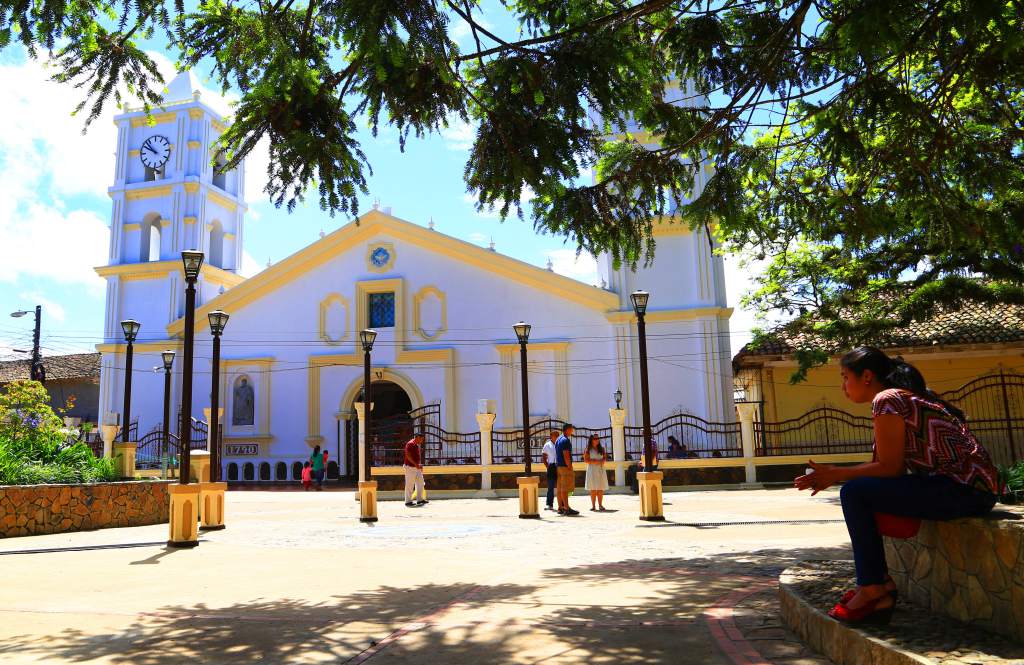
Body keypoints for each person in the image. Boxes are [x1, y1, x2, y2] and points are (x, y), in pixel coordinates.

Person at [795, 347, 999, 625]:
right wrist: (836, 474)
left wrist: (836, 474)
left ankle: (873, 588)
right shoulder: (899, 400)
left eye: (845, 377)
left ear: (866, 376)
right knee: (861, 491)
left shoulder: (887, 399)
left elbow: (889, 469)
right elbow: (890, 471)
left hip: (963, 490)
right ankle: (878, 584)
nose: (843, 385)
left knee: (854, 493)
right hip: (970, 490)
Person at [555, 424, 578, 516]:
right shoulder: (565, 440)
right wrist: (569, 466)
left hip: (559, 466)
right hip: (565, 467)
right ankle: (566, 508)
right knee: (565, 488)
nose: (572, 431)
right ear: (568, 430)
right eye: (571, 429)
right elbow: (566, 454)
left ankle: (560, 507)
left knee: (560, 488)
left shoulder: (558, 439)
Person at [584, 435, 609, 511]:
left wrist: (602, 461)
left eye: (598, 438)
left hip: (600, 469)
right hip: (592, 469)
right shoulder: (588, 449)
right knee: (593, 488)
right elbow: (586, 460)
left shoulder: (602, 449)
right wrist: (594, 461)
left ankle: (600, 505)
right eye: (595, 439)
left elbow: (605, 457)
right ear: (591, 440)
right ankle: (593, 506)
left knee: (600, 488)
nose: (597, 440)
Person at [403, 433, 428, 507]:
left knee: (420, 483)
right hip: (410, 467)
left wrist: (419, 465)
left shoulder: (416, 445)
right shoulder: (410, 444)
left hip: (416, 467)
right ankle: (408, 501)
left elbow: (416, 457)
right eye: (421, 439)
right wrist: (416, 464)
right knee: (409, 484)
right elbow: (408, 455)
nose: (422, 441)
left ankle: (420, 499)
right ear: (417, 437)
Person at [541, 430, 559, 511]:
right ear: (551, 436)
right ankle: (549, 504)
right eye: (555, 435)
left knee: (560, 486)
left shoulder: (560, 444)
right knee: (550, 487)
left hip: (559, 466)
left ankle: (562, 504)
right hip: (551, 466)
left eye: (558, 435)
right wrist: (548, 467)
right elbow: (544, 457)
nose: (557, 437)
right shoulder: (547, 445)